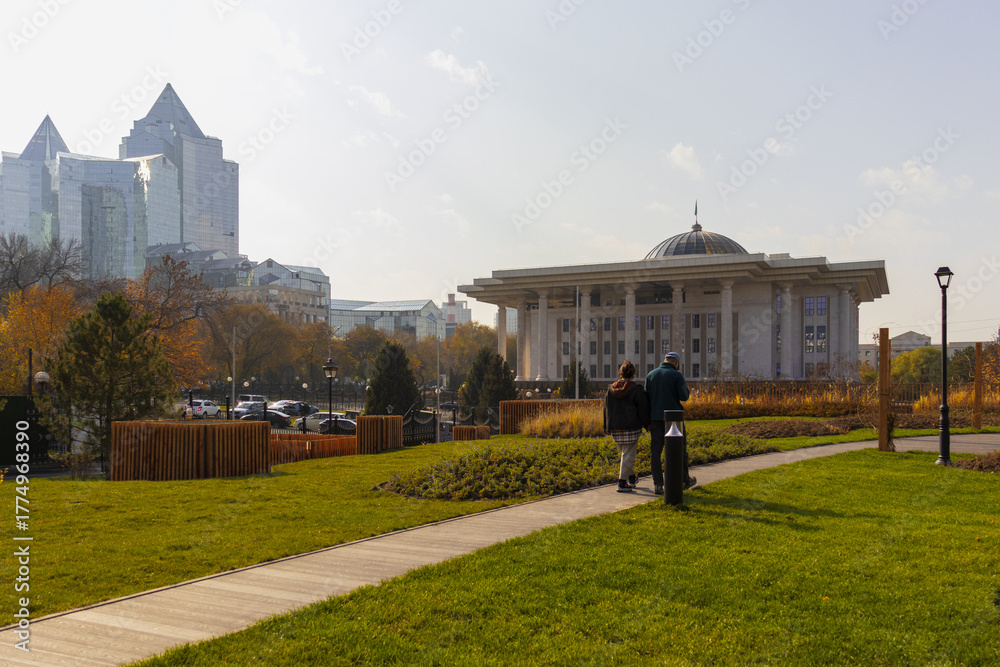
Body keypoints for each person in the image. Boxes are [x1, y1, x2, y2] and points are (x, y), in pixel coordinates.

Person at [645, 351, 695, 495]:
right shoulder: (677, 375)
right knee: (679, 450)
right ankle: (684, 480)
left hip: (655, 419)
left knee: (655, 452)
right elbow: (684, 396)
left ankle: (658, 484)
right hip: (674, 420)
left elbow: (646, 398)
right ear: (676, 363)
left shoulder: (651, 375)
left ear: (665, 360)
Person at [603, 360, 650, 493]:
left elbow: (606, 409)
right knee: (628, 456)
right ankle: (622, 483)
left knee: (626, 455)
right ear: (633, 374)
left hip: (616, 428)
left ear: (620, 373)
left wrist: (606, 426)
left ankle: (632, 478)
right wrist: (647, 425)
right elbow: (643, 410)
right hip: (631, 427)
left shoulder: (611, 390)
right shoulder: (637, 390)